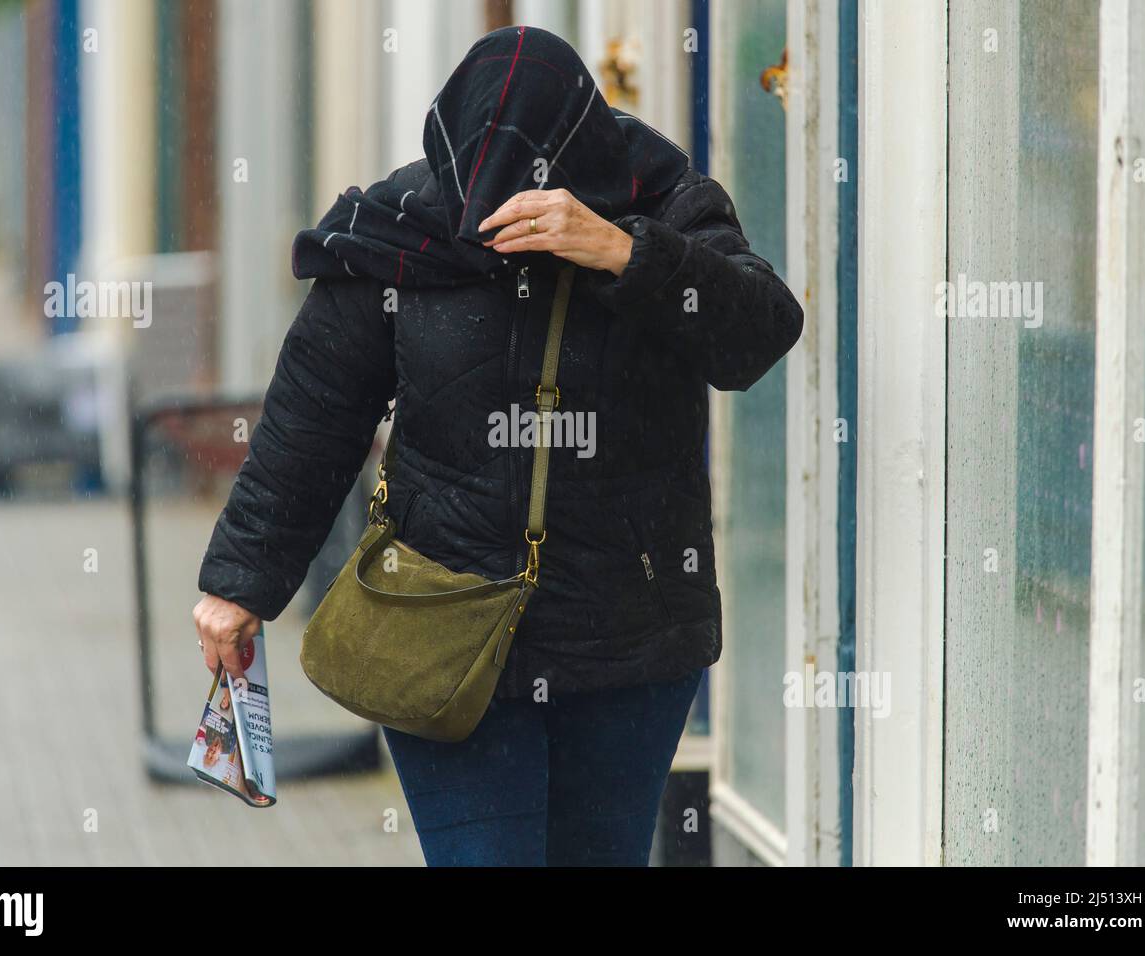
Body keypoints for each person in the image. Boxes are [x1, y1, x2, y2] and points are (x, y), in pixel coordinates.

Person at [193, 25, 802, 866]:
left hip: (627, 638)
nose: (498, 209)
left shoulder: (662, 202)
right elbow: (312, 416)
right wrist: (237, 585)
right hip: (439, 628)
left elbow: (759, 335)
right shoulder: (403, 228)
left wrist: (622, 253)